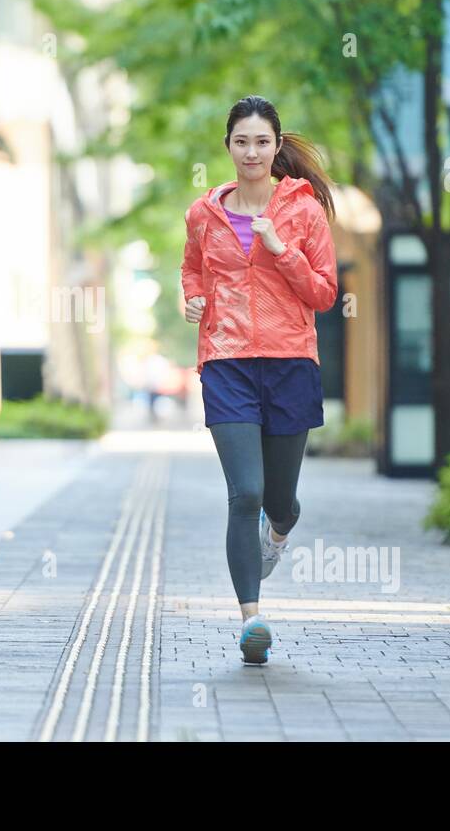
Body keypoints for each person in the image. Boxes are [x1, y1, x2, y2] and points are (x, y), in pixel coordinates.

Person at [180, 95, 338, 665]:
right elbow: (192, 267)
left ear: (276, 147)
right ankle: (252, 620)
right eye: (241, 141)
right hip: (226, 363)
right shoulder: (205, 213)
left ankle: (278, 534)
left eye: (262, 142)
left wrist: (281, 249)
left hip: (291, 362)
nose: (251, 151)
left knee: (280, 501)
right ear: (228, 146)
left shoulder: (304, 212)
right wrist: (194, 299)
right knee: (244, 493)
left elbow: (323, 293)